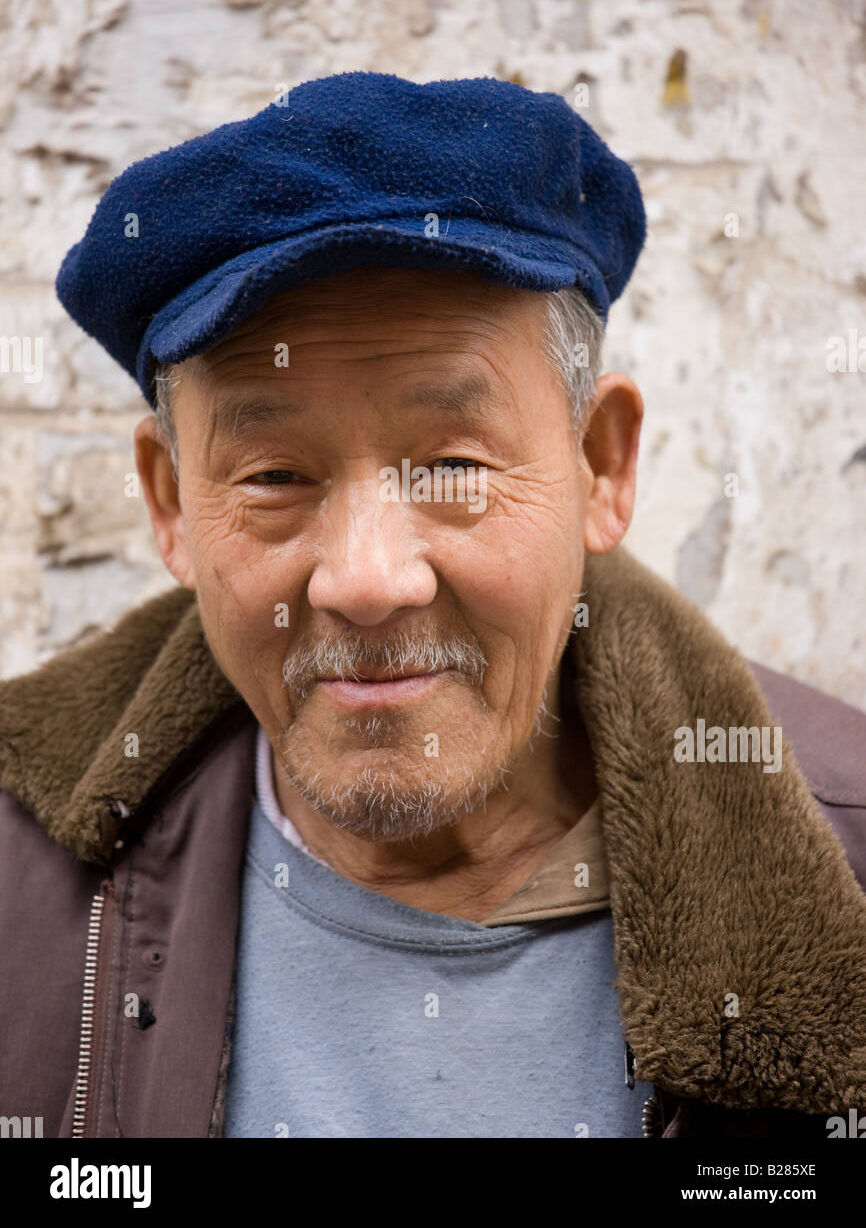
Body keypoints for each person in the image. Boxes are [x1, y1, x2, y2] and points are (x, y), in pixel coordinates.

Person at [1, 72, 863, 1139]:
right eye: (274, 475)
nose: (366, 579)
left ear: (599, 466)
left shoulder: (849, 859)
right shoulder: (18, 889)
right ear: (171, 502)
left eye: (452, 464)